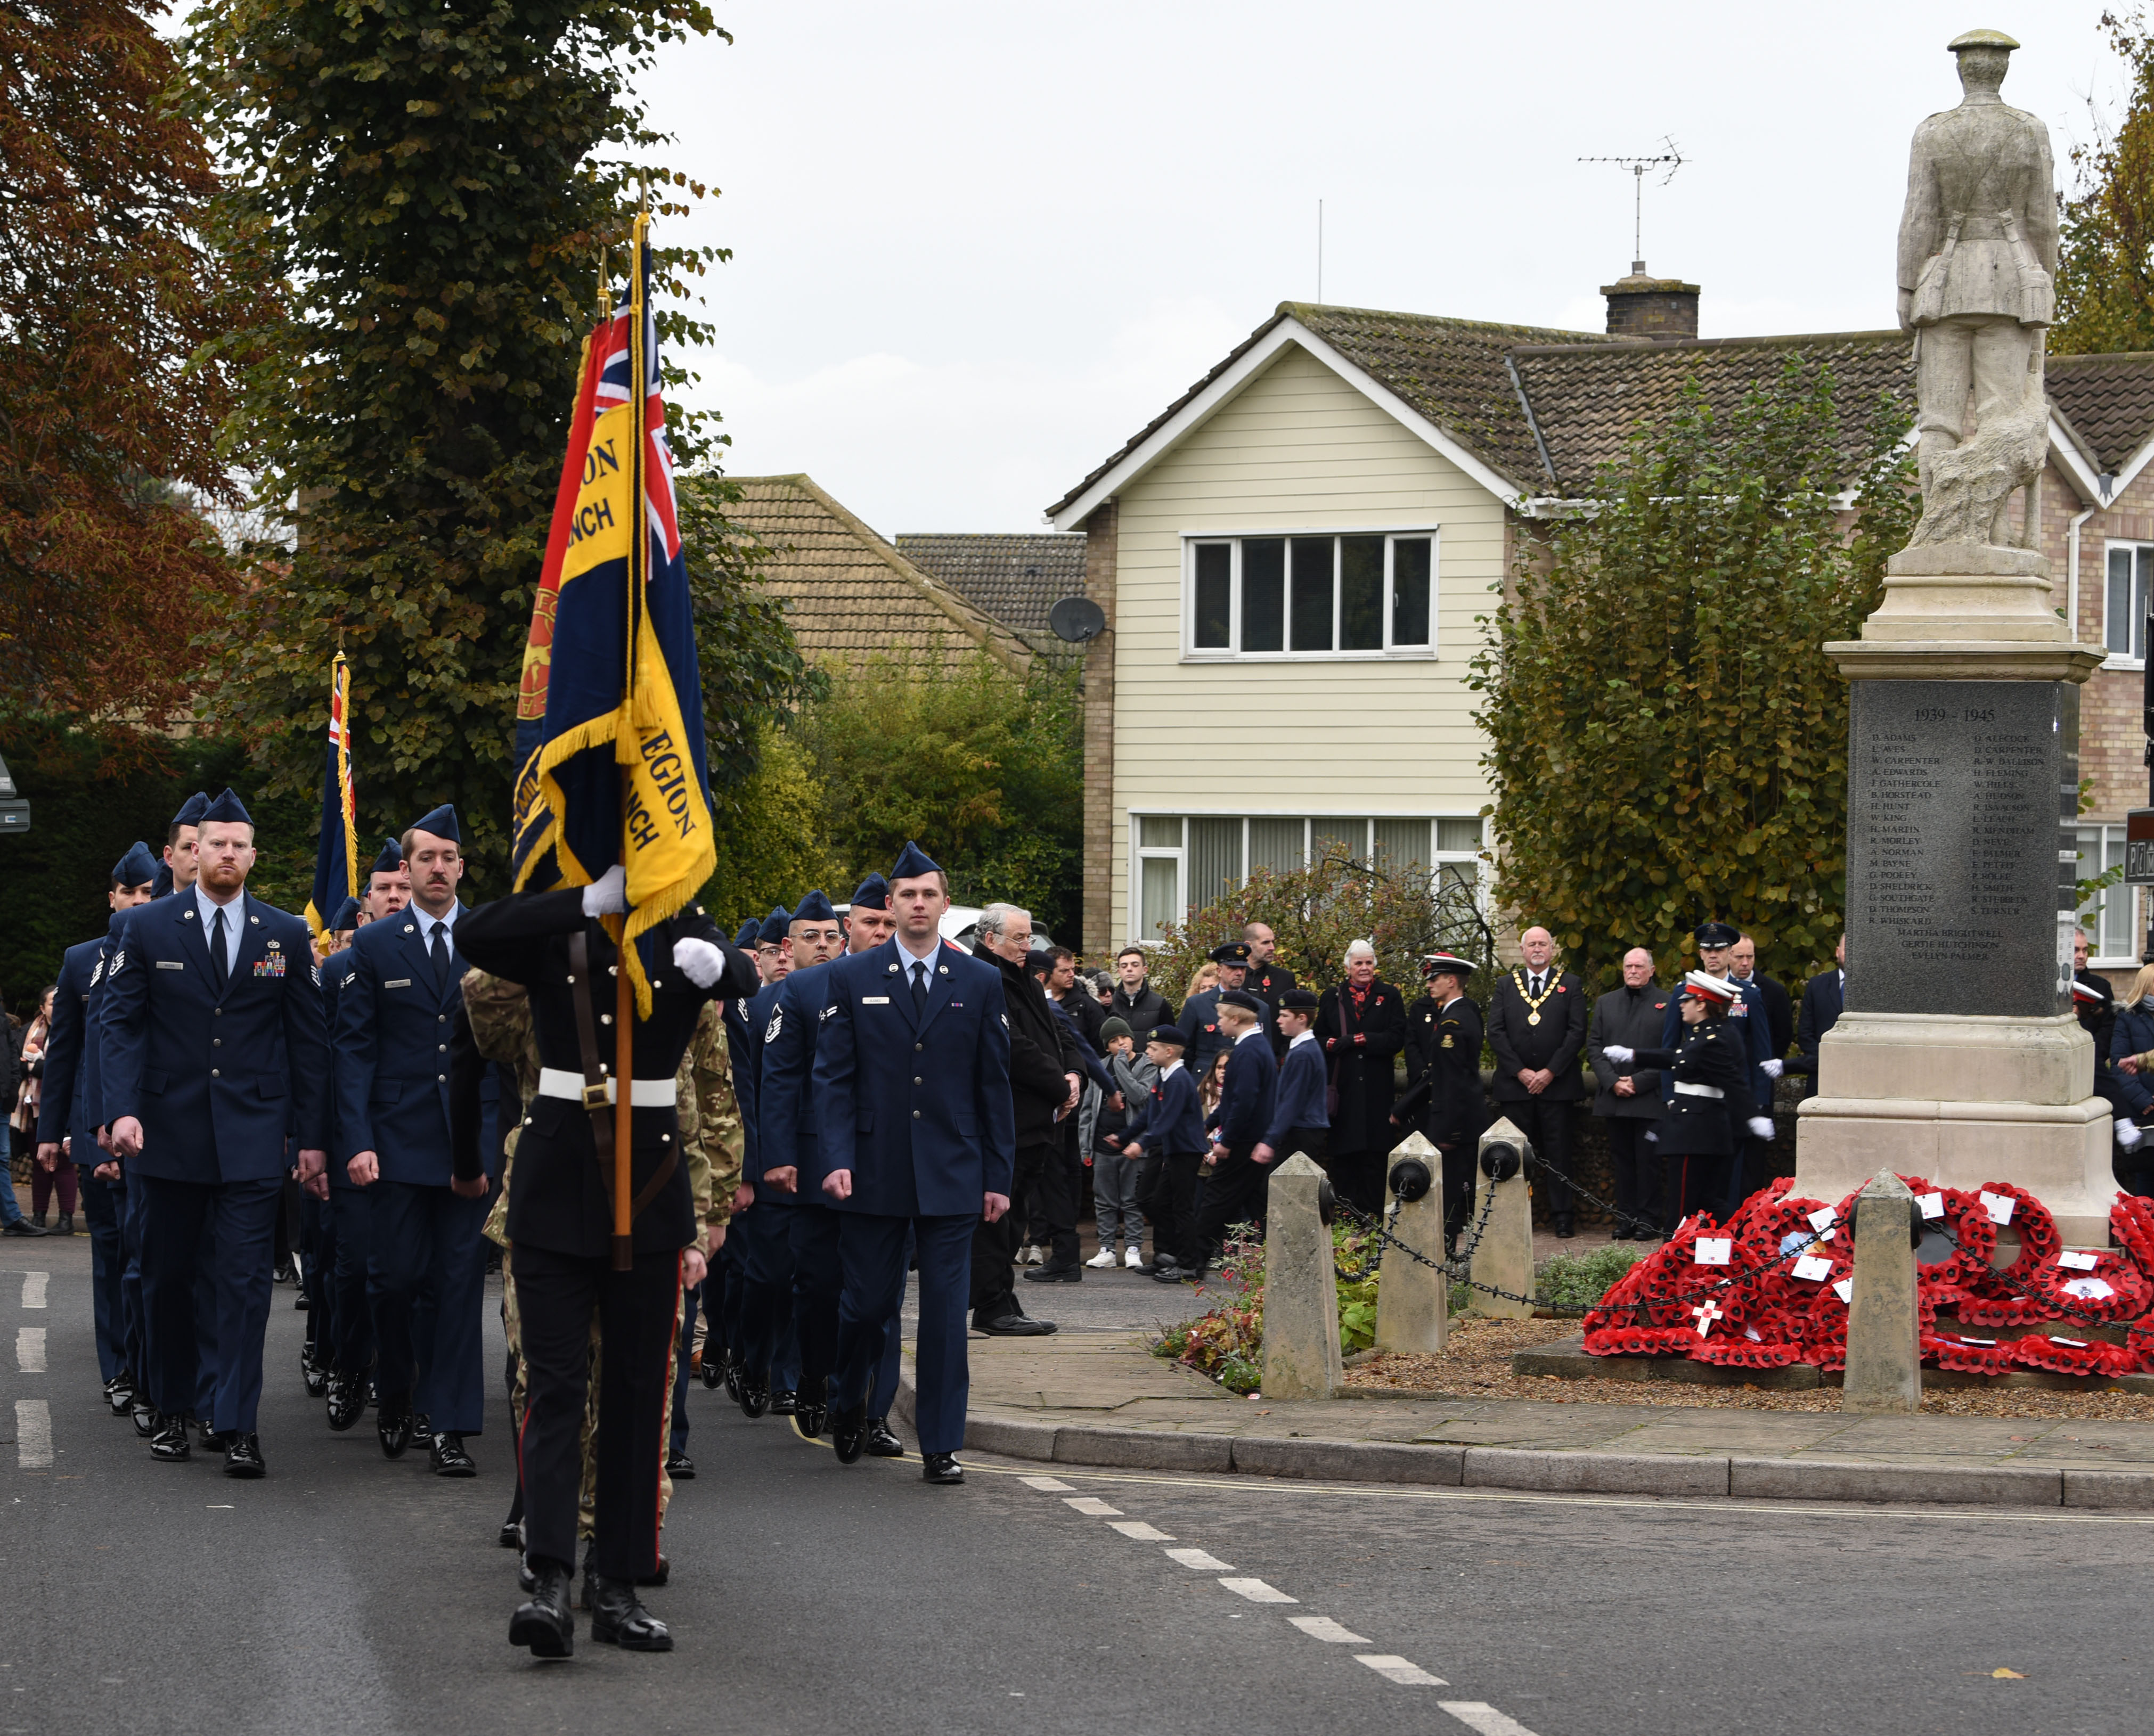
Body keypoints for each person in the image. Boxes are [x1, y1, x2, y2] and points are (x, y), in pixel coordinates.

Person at [455, 862, 760, 1656]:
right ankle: (550, 1578)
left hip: (651, 1191)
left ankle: (617, 1584)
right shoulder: (560, 931)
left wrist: (712, 960)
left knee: (635, 1393)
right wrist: (580, 902)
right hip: (556, 1187)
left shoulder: (679, 930)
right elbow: (475, 932)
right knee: (555, 1388)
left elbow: (746, 976)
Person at [99, 789, 331, 1478]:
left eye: (239, 845)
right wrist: (121, 1110)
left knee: (243, 1286)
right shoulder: (146, 928)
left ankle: (236, 1424)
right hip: (166, 1136)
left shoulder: (284, 933)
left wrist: (312, 1137)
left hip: (252, 1139)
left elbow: (308, 1040)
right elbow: (120, 1024)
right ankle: (173, 1409)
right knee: (167, 1278)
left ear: (254, 856)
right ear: (193, 851)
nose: (227, 854)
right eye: (216, 843)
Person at [815, 841, 1017, 1484]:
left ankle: (940, 1441)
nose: (919, 903)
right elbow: (833, 1077)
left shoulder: (980, 980)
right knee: (866, 1305)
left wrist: (998, 1176)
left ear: (945, 903)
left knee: (945, 1316)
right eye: (908, 894)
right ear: (891, 904)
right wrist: (836, 1156)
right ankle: (850, 1394)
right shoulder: (853, 977)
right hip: (873, 1168)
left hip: (954, 1170)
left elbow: (994, 1085)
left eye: (929, 893)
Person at [334, 804, 488, 1476]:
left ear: (461, 867)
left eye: (449, 857)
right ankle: (396, 1384)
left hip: (470, 1142)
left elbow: (506, 1052)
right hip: (395, 1140)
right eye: (426, 856)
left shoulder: (487, 940)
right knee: (393, 1280)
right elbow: (354, 1050)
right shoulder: (375, 945)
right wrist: (357, 1138)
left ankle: (449, 1423)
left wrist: (497, 1140)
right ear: (408, 865)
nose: (438, 867)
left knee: (457, 1285)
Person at [34, 842, 160, 1407]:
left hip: (155, 1128)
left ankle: (155, 1364)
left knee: (152, 1254)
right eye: (129, 892)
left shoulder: (171, 949)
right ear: (112, 899)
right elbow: (66, 1054)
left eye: (148, 892)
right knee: (110, 1253)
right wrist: (50, 1133)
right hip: (95, 1131)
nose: (138, 902)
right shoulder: (82, 959)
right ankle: (119, 1368)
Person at [749, 889, 848, 1439]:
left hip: (858, 1157)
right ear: (789, 946)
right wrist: (772, 1156)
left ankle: (849, 1397)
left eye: (832, 935)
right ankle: (772, 1364)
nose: (823, 945)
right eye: (811, 936)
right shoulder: (776, 1000)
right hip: (798, 1160)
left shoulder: (860, 984)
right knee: (785, 1278)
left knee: (853, 1288)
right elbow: (769, 1083)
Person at [970, 902, 1081, 1307]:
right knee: (996, 1221)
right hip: (1007, 1122)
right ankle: (992, 1306)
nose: (1028, 946)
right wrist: (1060, 1088)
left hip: (1038, 1123)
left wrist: (1075, 1074)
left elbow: (1059, 1035)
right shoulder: (982, 980)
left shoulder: (1027, 979)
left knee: (1015, 1219)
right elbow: (1013, 1047)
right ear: (990, 940)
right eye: (1019, 938)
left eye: (1028, 937)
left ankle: (1000, 1302)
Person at [1603, 972, 1764, 1227]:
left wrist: (1752, 1115)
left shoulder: (1714, 1038)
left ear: (1701, 1004)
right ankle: (1724, 1244)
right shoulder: (1705, 1034)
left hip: (1696, 1129)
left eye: (1687, 1000)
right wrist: (1633, 1054)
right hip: (1696, 1125)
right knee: (1706, 1203)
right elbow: (1677, 1056)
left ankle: (1681, 1247)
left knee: (1684, 1206)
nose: (1681, 1004)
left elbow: (1732, 1080)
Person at [730, 903, 802, 1416]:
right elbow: (743, 1091)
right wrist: (748, 1169)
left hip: (818, 1158)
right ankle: (753, 1358)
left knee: (809, 1277)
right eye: (773, 951)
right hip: (768, 1160)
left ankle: (789, 1377)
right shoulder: (752, 1008)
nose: (782, 959)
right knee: (766, 1276)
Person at [1655, 922, 1778, 1218]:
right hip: (1695, 1104)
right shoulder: (1684, 993)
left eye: (1720, 950)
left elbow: (1761, 1052)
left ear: (1730, 953)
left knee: (1729, 1184)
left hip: (1734, 1102)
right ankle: (1688, 1238)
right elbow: (1670, 1046)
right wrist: (1671, 1094)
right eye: (1708, 950)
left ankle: (1725, 1239)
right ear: (1700, 954)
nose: (1714, 955)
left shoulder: (1748, 995)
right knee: (1690, 1185)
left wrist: (1758, 1102)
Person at [1486, 926, 1588, 1238]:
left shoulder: (1571, 984)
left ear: (1552, 949)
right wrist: (1521, 1071)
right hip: (1516, 1087)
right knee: (1514, 1155)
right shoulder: (1506, 985)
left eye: (1543, 943)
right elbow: (1496, 1032)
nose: (1538, 949)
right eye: (1532, 944)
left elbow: (1577, 1032)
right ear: (1522, 950)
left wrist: (1550, 1071)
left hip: (1557, 1087)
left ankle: (1563, 1217)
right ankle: (1514, 1217)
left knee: (1560, 1155)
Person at [1391, 953, 1486, 1247]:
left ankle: (1447, 1255)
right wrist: (1404, 1107)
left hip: (1456, 1125)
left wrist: (1449, 1132)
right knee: (1450, 1196)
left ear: (1452, 981)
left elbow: (1452, 1080)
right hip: (1455, 1121)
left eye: (1435, 979)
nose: (1429, 984)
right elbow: (1439, 1075)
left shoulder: (1454, 1023)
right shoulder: (1460, 1013)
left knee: (1451, 1198)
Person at [1311, 940, 1407, 1216]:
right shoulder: (1332, 997)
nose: (1364, 968)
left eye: (1368, 963)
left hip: (1377, 1090)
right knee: (1344, 1158)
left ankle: (1373, 1219)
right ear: (1348, 967)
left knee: (1375, 1158)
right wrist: (1333, 1044)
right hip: (1344, 1089)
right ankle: (1346, 1218)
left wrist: (1360, 1040)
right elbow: (1317, 1037)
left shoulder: (1389, 995)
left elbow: (1396, 1038)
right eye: (1359, 963)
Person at [1586, 948, 1669, 1240]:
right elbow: (1594, 1047)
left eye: (1639, 966)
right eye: (1628, 966)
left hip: (1649, 1097)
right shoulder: (1606, 1003)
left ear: (1652, 970)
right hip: (1615, 1098)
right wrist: (1612, 1081)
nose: (1633, 971)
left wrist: (1637, 1081)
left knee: (1648, 1163)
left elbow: (1672, 1052)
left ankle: (1648, 1220)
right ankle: (1626, 1218)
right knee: (1621, 1162)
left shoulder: (1669, 1003)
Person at [1113, 1025, 1204, 1280]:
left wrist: (1141, 1144)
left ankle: (1188, 1265)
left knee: (1182, 1208)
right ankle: (1166, 1256)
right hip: (1173, 1150)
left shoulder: (1179, 1079)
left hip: (1186, 1151)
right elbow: (1150, 1116)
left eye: (1153, 1048)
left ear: (1169, 1051)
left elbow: (1168, 1119)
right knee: (1156, 1202)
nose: (1148, 1052)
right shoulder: (1164, 1076)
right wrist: (1124, 1137)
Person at [1193, 990, 1277, 1266]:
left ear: (1236, 1018)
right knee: (1256, 1203)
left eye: (1221, 1017)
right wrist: (1209, 1124)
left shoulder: (1249, 1051)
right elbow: (1234, 1099)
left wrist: (1227, 1141)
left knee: (1215, 1199)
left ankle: (1194, 1262)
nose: (1218, 1022)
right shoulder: (1254, 1047)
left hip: (1242, 1142)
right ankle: (1281, 1257)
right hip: (1250, 1140)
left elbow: (1243, 1102)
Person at [1088, 1017, 1153, 1268]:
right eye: (1114, 1041)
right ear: (1107, 1047)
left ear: (1132, 1039)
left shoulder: (1147, 1064)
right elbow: (1088, 1109)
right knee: (1104, 1200)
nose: (1121, 1043)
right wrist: (1085, 1146)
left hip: (1132, 1145)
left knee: (1131, 1199)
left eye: (1124, 1038)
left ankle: (1133, 1248)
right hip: (1102, 1144)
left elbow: (1139, 1096)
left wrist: (1122, 1065)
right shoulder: (1099, 1067)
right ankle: (1106, 1249)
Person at [1253, 987, 1326, 1167]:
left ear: (1302, 1018)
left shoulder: (1303, 1054)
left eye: (1285, 1016)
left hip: (1301, 1132)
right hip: (1300, 1129)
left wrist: (1270, 1140)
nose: (1278, 1020)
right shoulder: (1302, 1049)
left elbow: (1292, 1099)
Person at [1180, 941, 1271, 1084]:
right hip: (1206, 1083)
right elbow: (1184, 1051)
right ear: (1219, 971)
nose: (1239, 973)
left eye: (1243, 968)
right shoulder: (1197, 1004)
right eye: (1232, 968)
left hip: (1244, 1082)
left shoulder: (1260, 1008)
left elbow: (1265, 1054)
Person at [18, 986, 68, 1230]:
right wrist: (39, 1068)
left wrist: (34, 1068)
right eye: (52, 1004)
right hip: (33, 1106)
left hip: (64, 1105)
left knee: (64, 1163)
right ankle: (39, 1216)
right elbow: (18, 1064)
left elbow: (63, 1068)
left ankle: (66, 1219)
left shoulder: (71, 1028)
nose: (57, 1008)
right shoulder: (28, 1032)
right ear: (42, 1008)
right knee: (39, 1162)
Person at [1784, 933, 1846, 1100]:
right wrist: (1827, 1057)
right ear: (1837, 952)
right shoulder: (1817, 985)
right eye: (1848, 949)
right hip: (1821, 1076)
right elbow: (1805, 1033)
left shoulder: (1874, 991)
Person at [1728, 937, 1793, 1064]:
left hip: (1760, 1065)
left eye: (1750, 957)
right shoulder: (1717, 987)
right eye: (1739, 957)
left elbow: (1784, 1035)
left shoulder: (1774, 991)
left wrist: (1768, 1060)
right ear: (1729, 956)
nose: (1745, 963)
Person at [1109, 947, 1175, 1031]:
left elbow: (1170, 1037)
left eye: (1135, 965)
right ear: (1119, 972)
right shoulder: (1109, 1004)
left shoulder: (1160, 1004)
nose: (1129, 969)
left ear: (1145, 970)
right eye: (1124, 966)